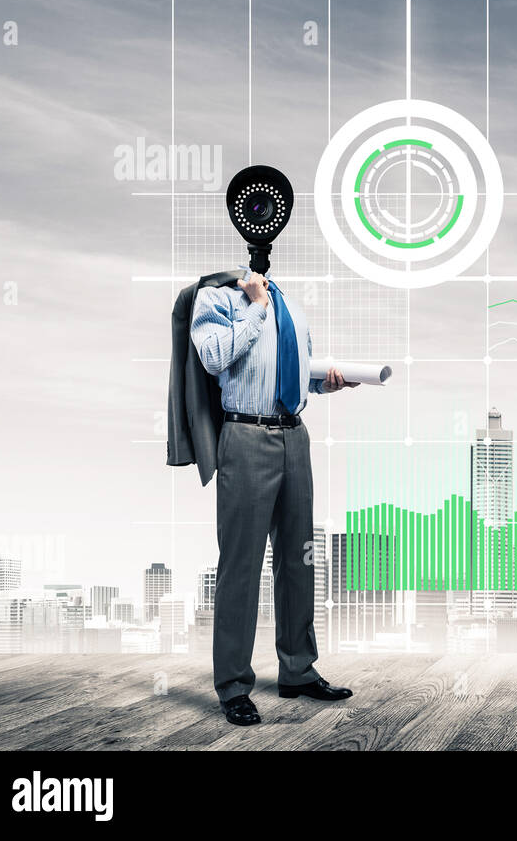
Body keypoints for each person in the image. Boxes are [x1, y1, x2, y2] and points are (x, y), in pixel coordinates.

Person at [190, 268, 357, 726]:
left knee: (299, 559)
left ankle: (298, 670)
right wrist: (257, 306)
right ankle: (233, 686)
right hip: (244, 434)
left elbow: (294, 373)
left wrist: (326, 382)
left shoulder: (294, 307)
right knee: (241, 564)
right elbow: (213, 356)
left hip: (295, 438)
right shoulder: (218, 298)